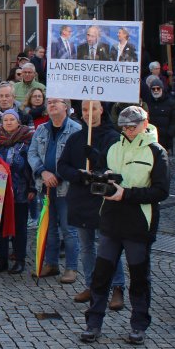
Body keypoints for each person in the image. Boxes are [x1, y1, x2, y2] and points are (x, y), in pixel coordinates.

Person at [81, 106, 169, 345]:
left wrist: (126, 194)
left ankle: (139, 325)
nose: (129, 131)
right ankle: (93, 323)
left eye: (133, 126)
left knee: (139, 277)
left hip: (138, 222)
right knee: (101, 275)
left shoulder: (156, 151)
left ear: (144, 123)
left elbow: (161, 191)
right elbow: (100, 170)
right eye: (125, 127)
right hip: (110, 219)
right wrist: (102, 175)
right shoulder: (113, 146)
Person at [59, 100, 126, 307]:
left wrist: (96, 161)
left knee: (108, 246)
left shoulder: (114, 137)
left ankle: (117, 287)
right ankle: (92, 285)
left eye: (93, 109)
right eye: (85, 110)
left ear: (101, 110)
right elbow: (63, 165)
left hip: (104, 200)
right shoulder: (76, 137)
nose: (89, 113)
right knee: (87, 247)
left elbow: (116, 169)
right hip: (81, 197)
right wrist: (79, 176)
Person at [28, 97, 82, 280]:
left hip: (67, 188)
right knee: (49, 227)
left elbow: (78, 159)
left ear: (65, 107)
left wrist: (58, 175)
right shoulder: (41, 129)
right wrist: (43, 172)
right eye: (49, 102)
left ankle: (72, 268)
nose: (51, 104)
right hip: (45, 186)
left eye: (56, 102)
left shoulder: (76, 130)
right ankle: (51, 264)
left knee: (69, 229)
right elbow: (32, 153)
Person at [0, 108, 35, 273]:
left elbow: (32, 165)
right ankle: (2, 259)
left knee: (19, 227)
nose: (9, 122)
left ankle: (19, 260)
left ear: (18, 122)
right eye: (6, 120)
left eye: (12, 119)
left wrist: (32, 187)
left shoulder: (26, 141)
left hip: (19, 191)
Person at [143, 77, 175, 152]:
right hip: (150, 138)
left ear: (162, 89)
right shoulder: (147, 102)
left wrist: (170, 133)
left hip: (165, 139)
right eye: (153, 89)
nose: (156, 91)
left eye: (158, 88)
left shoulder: (171, 102)